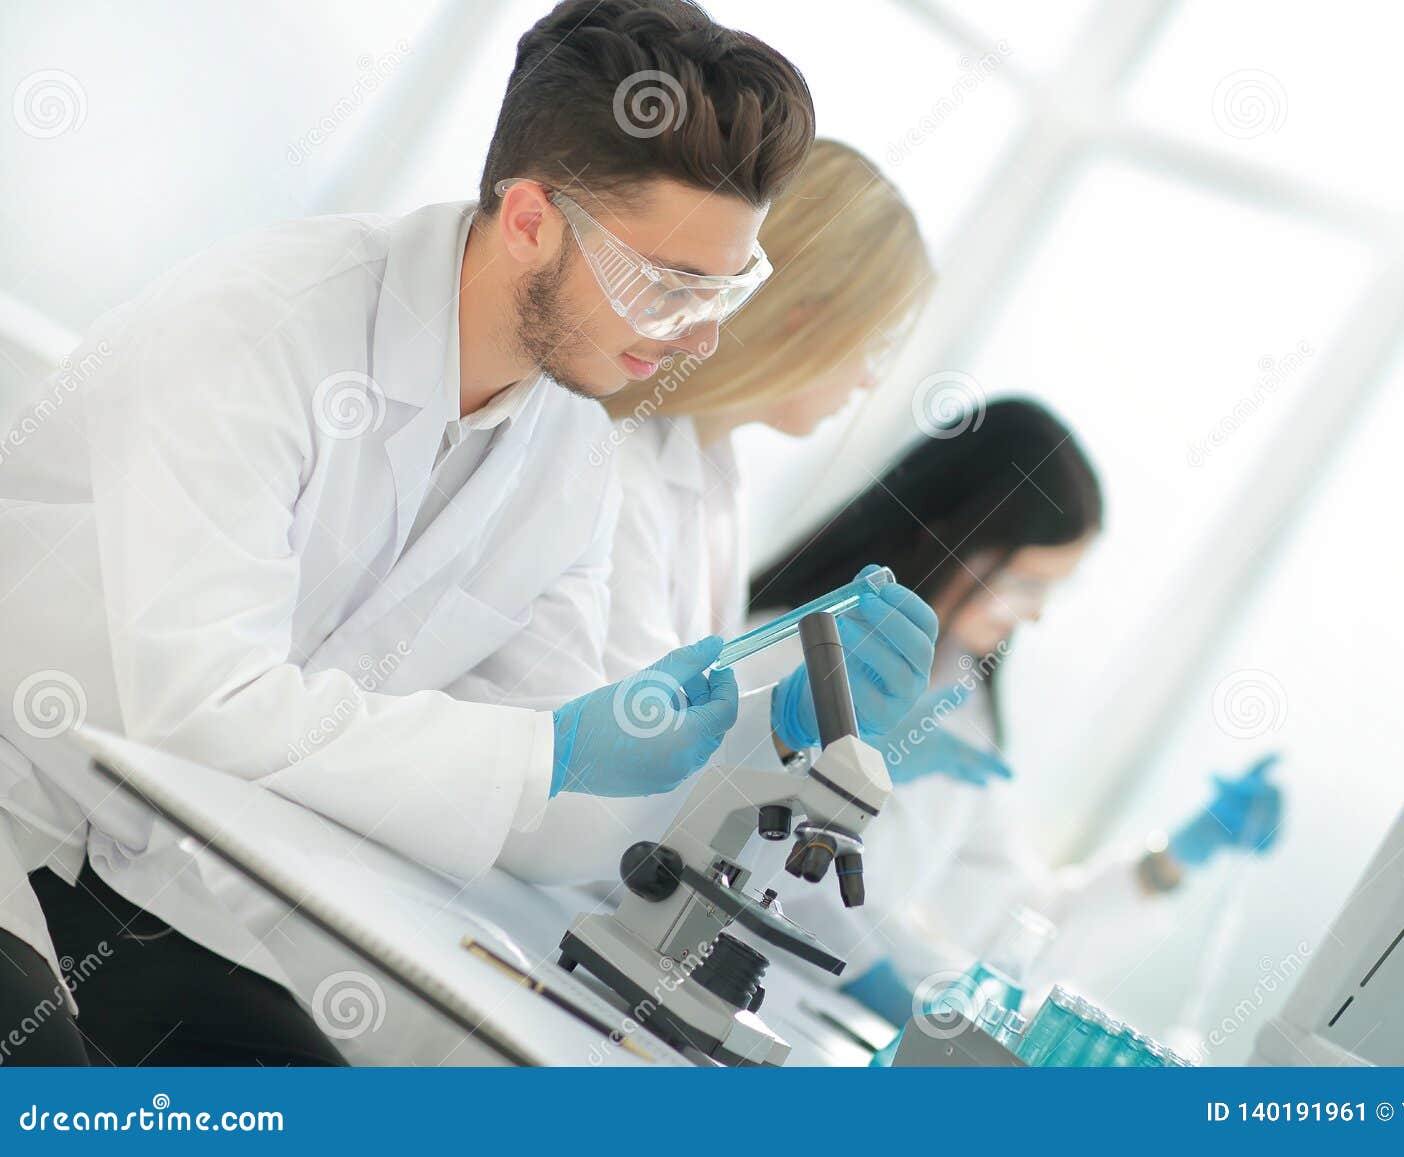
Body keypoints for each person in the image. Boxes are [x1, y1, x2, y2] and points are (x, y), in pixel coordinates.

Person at [0, 0, 838, 1065]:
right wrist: (549, 748)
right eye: (668, 282)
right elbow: (201, 707)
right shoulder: (264, 327)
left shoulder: (570, 455)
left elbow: (531, 815)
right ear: (530, 219)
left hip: (163, 878)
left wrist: (733, 732)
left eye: (727, 286)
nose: (702, 332)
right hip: (22, 801)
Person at [747, 398, 1284, 1026]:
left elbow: (1011, 926)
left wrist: (1173, 860)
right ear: (947, 534)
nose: (1034, 614)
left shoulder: (959, 707)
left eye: (1053, 589)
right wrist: (872, 979)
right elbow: (739, 855)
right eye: (1027, 583)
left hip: (805, 1029)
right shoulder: (791, 645)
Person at [497, 137, 939, 886]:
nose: (868, 380)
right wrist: (775, 724)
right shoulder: (620, 466)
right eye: (874, 342)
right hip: (503, 874)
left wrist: (778, 728)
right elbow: (599, 777)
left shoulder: (714, 477)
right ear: (805, 318)